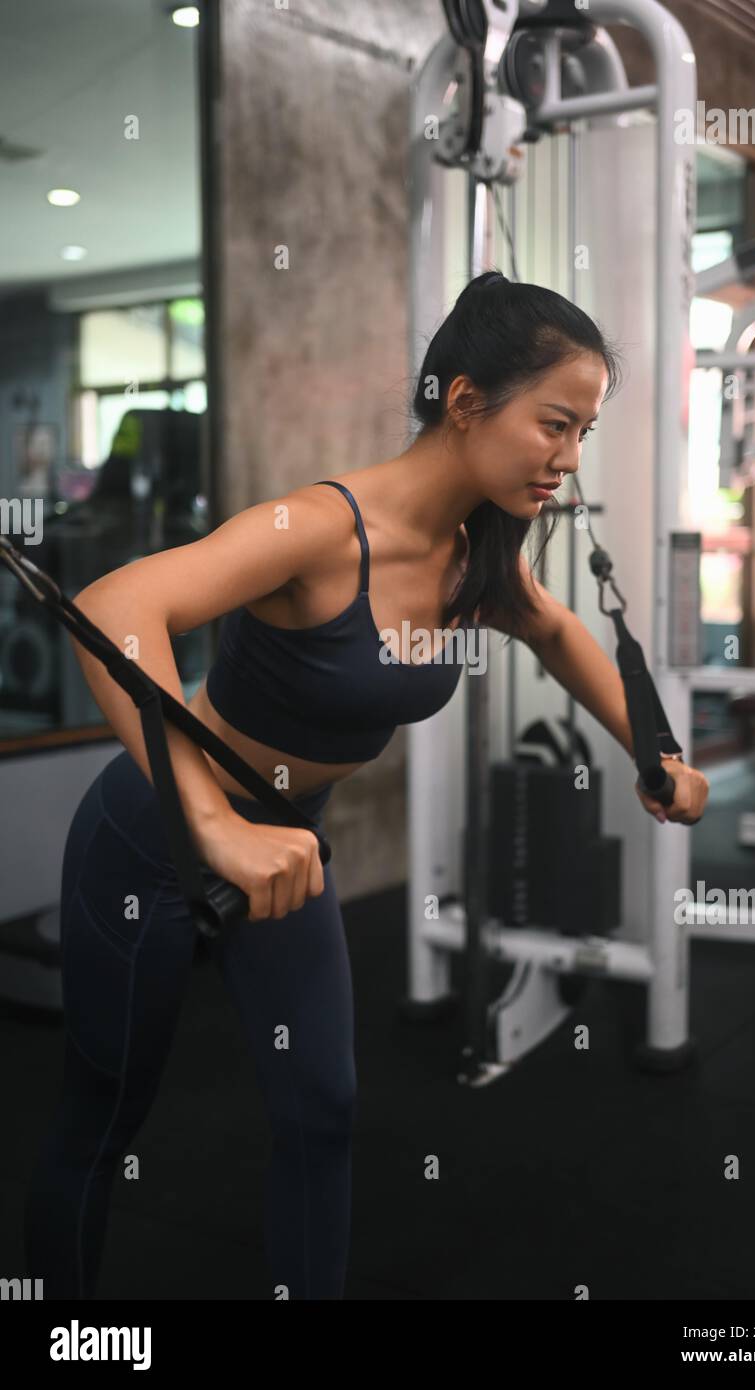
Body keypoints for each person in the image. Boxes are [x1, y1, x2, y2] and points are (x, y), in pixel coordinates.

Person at [24, 270, 709, 1301]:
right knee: (105, 1109)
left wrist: (647, 750)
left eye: (582, 434)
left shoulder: (475, 550)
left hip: (292, 842)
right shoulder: (318, 528)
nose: (567, 461)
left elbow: (560, 631)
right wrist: (210, 826)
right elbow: (118, 601)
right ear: (466, 399)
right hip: (153, 834)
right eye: (554, 426)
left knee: (322, 1108)